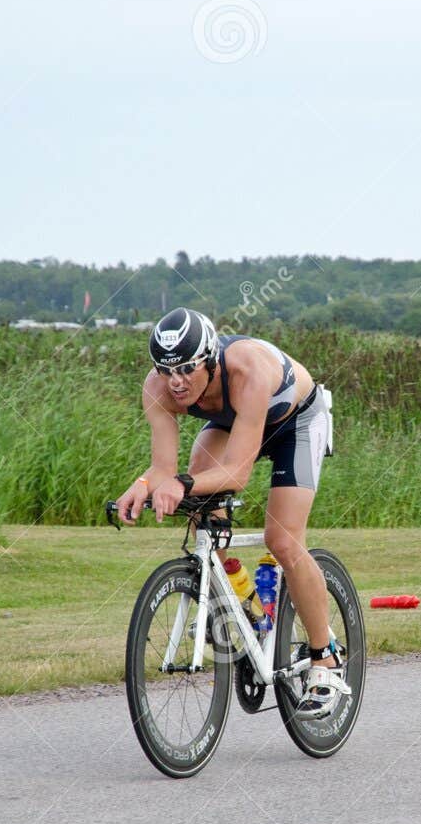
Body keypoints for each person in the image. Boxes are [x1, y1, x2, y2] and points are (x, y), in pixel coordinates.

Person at [115, 307, 347, 718]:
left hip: (295, 423)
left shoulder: (247, 370)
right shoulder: (158, 388)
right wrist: (145, 484)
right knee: (202, 510)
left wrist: (181, 483)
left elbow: (236, 474)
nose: (176, 381)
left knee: (283, 540)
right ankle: (248, 612)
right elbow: (162, 469)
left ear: (209, 358)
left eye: (186, 368)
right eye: (166, 370)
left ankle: (324, 657)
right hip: (231, 423)